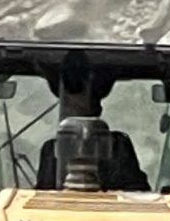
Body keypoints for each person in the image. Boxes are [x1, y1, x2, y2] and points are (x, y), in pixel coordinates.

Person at [33, 61, 151, 192]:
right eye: (67, 104)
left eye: (78, 107)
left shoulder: (119, 148)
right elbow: (42, 194)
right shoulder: (50, 150)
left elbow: (137, 195)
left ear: (97, 108)